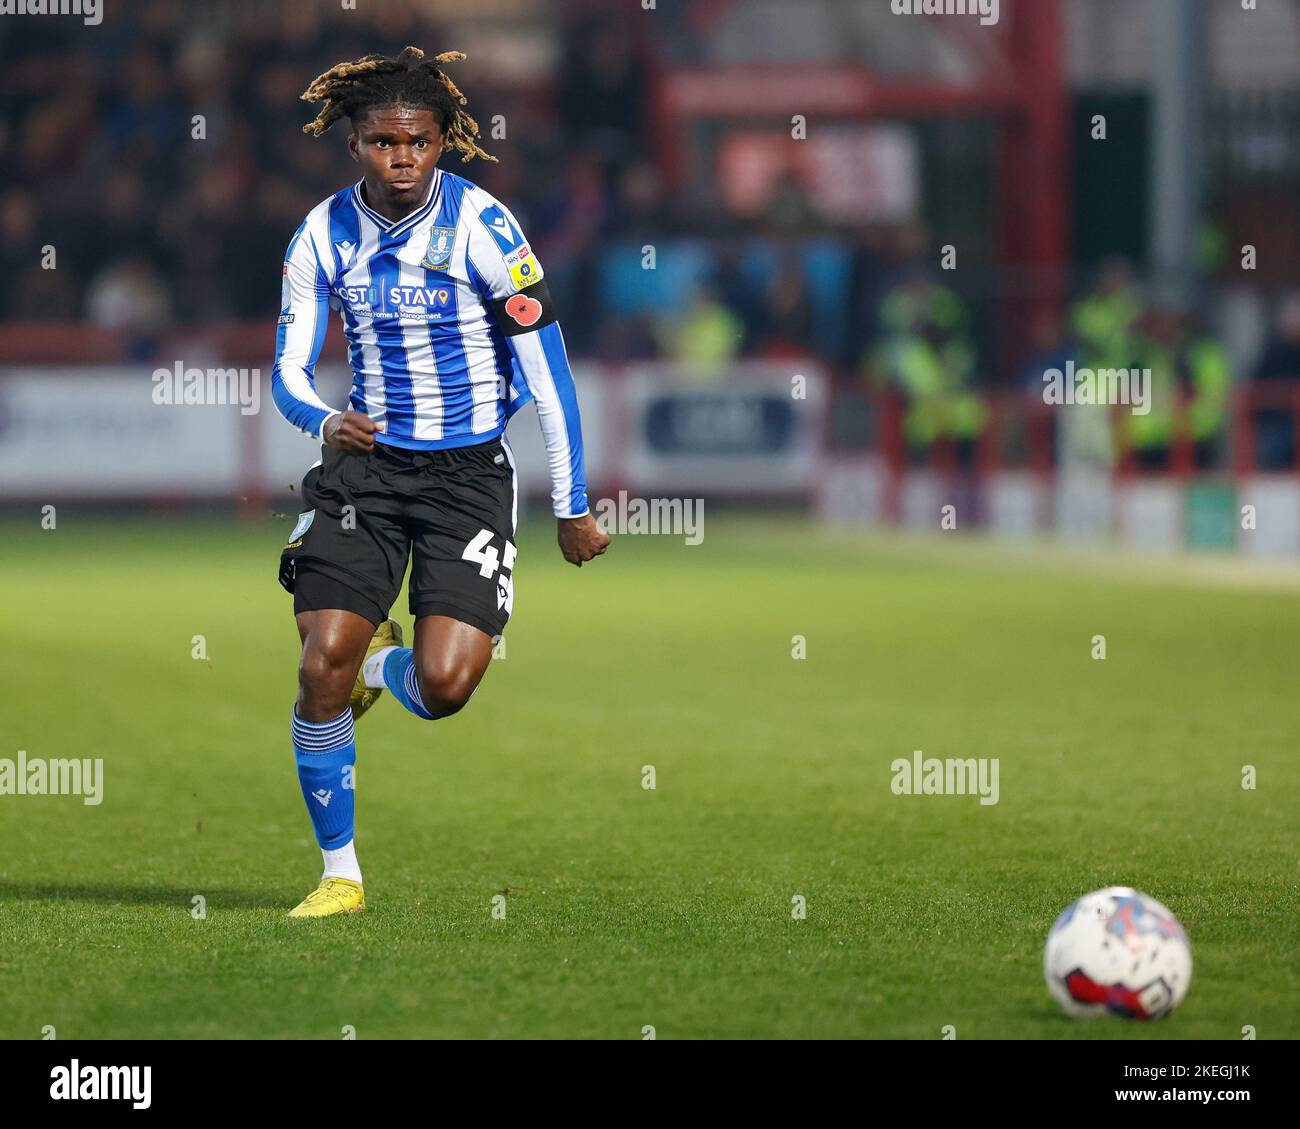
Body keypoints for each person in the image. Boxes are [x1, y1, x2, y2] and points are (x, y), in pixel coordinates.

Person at [271, 47, 609, 918]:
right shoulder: (320, 236)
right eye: (383, 143)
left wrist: (572, 504)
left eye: (419, 143)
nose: (402, 160)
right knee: (319, 669)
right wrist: (321, 422)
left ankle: (387, 667)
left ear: (444, 142)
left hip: (468, 478)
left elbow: (550, 376)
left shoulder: (489, 231)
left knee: (448, 685)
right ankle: (339, 875)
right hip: (366, 469)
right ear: (355, 145)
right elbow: (287, 371)